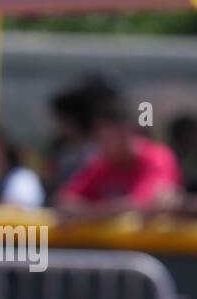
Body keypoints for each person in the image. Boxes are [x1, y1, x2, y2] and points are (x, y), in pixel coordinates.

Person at [56, 84, 181, 221]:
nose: (100, 143)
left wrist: (86, 212)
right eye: (98, 137)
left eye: (106, 136)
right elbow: (66, 199)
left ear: (126, 131)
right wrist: (103, 211)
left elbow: (141, 204)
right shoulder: (104, 163)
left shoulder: (157, 157)